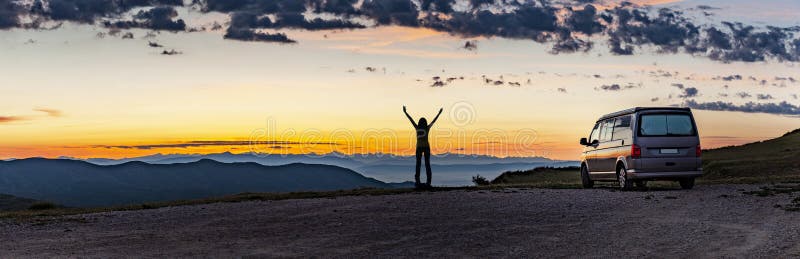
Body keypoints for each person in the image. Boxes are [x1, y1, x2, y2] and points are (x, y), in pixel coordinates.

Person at [403, 106, 443, 188]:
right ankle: (428, 182)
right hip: (426, 147)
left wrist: (405, 112)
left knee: (418, 165)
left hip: (419, 148)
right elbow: (433, 121)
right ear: (425, 122)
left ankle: (418, 182)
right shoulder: (427, 128)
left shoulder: (417, 128)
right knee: (427, 165)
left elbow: (411, 120)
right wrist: (439, 113)